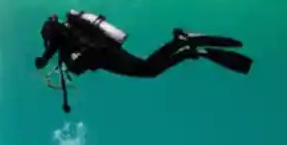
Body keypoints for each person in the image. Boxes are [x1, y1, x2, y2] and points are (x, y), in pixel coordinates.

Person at [35, 11, 253, 111]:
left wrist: (43, 60)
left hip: (105, 56)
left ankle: (181, 44)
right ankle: (183, 48)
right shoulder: (69, 30)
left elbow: (53, 50)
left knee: (148, 70)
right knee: (148, 69)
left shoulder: (58, 38)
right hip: (106, 52)